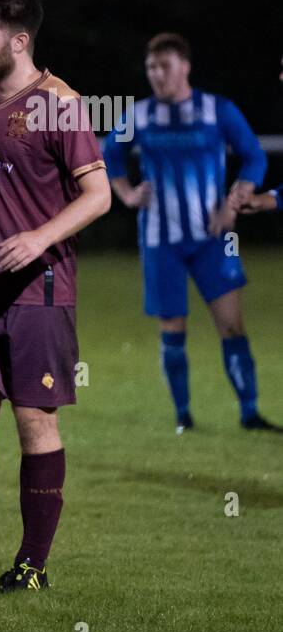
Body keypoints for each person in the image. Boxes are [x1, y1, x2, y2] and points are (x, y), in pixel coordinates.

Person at [0, 0, 111, 593]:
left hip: (38, 293)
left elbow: (99, 195)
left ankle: (32, 565)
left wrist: (39, 238)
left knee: (36, 424)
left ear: (18, 39)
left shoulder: (57, 103)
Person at [104, 32, 277, 433]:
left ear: (185, 67)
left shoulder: (217, 110)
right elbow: (109, 154)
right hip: (160, 241)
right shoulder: (140, 115)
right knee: (173, 330)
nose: (157, 74)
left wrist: (235, 200)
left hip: (213, 238)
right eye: (151, 67)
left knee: (232, 325)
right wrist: (127, 194)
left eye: (164, 66)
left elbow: (253, 156)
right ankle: (184, 417)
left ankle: (250, 413)